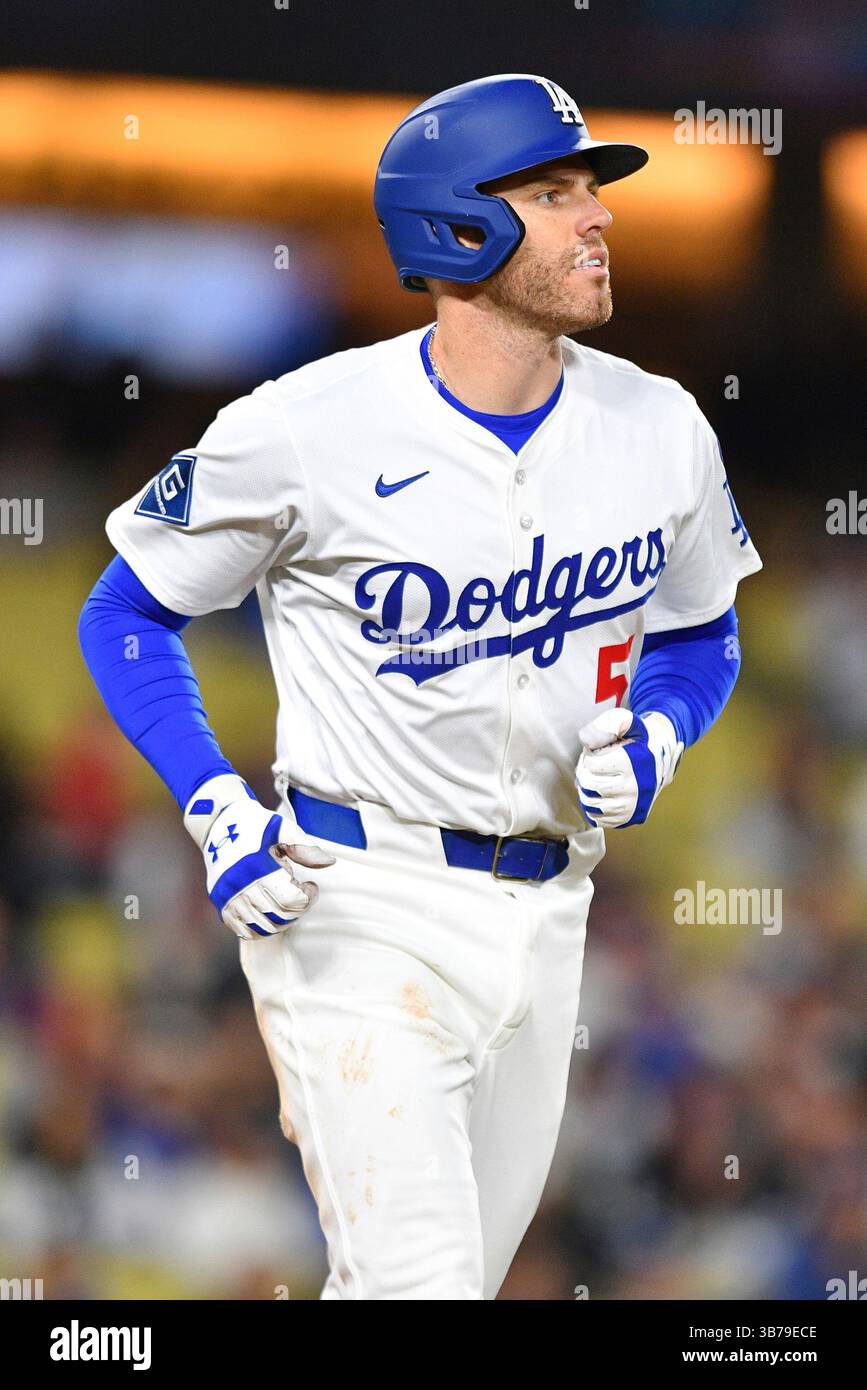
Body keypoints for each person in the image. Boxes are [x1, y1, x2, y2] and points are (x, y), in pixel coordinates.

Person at [79, 73, 762, 1300]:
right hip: (359, 902)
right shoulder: (307, 424)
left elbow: (704, 638)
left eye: (588, 191)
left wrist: (663, 732)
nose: (597, 217)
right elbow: (126, 610)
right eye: (556, 194)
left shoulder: (661, 427)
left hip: (553, 917)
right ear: (461, 225)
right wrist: (213, 803)